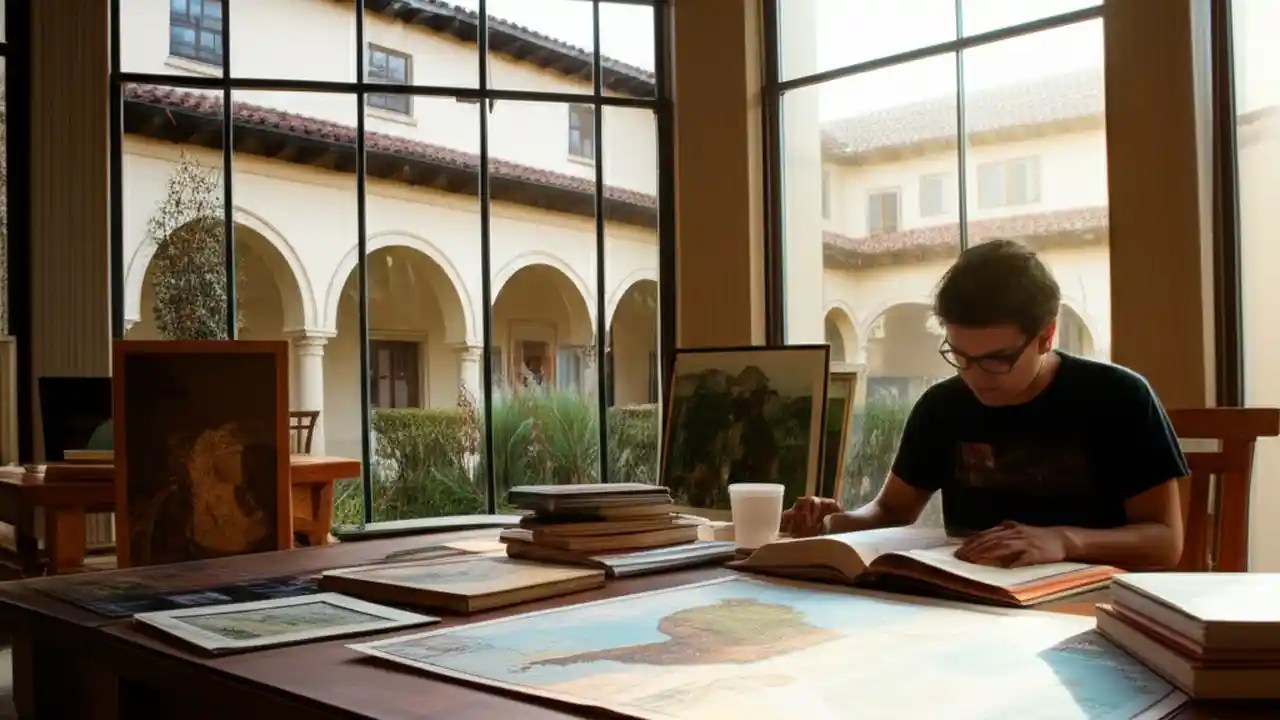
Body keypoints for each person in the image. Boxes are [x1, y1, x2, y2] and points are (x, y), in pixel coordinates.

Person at [783, 240, 1187, 571]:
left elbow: (1165, 542)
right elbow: (891, 512)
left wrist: (1063, 540)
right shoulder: (942, 406)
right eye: (960, 355)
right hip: (970, 599)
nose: (975, 376)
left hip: (1090, 602)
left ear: (1046, 336)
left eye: (997, 359)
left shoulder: (1118, 398)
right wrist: (832, 521)